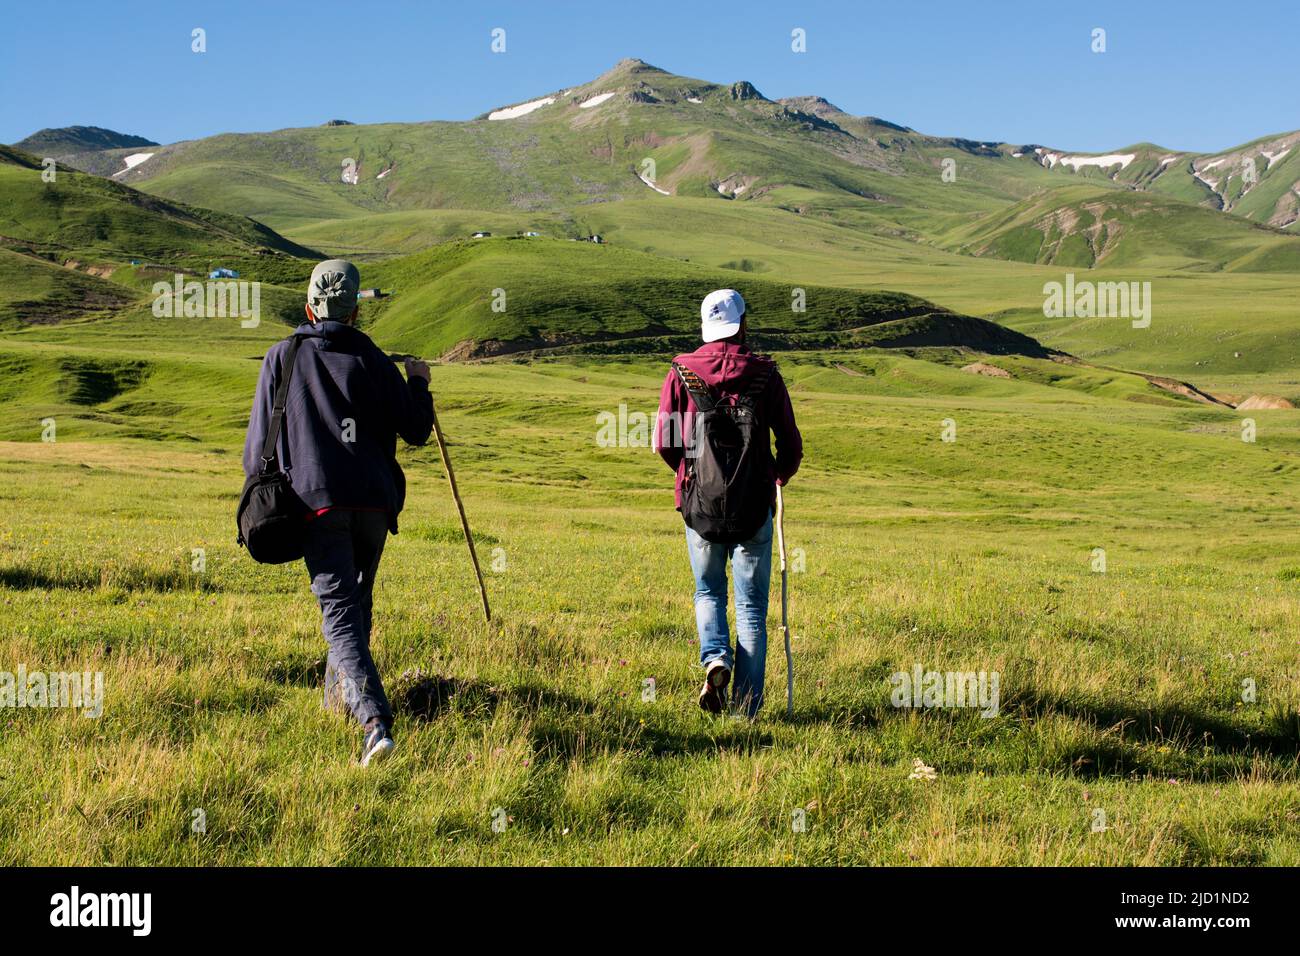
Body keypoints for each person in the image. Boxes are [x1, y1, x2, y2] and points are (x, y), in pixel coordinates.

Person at [243, 260, 433, 765]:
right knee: (355, 607)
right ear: (354, 313)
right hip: (373, 504)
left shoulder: (282, 356)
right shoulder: (373, 359)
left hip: (318, 504)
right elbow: (417, 429)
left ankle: (374, 724)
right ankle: (338, 705)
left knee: (341, 614)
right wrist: (419, 383)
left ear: (309, 308)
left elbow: (256, 451)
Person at [654, 289, 802, 717]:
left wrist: (689, 477)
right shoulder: (766, 373)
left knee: (708, 591)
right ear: (742, 324)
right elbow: (791, 445)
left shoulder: (681, 372)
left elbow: (665, 442)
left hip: (700, 507)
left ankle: (716, 659)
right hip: (754, 506)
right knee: (752, 609)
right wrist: (776, 477)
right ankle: (746, 711)